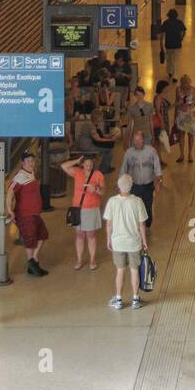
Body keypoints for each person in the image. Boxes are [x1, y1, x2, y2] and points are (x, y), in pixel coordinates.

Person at [104, 174, 150, 310]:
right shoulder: (137, 202)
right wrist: (144, 241)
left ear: (118, 186)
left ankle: (118, 299)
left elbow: (108, 224)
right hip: (134, 242)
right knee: (134, 269)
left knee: (120, 270)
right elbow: (142, 224)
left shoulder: (112, 201)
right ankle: (136, 299)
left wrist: (108, 239)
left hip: (118, 242)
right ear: (131, 186)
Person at [7, 149, 49, 277]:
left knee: (43, 235)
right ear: (23, 162)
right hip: (25, 215)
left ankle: (33, 260)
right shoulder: (20, 177)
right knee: (30, 239)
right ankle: (32, 264)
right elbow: (9, 193)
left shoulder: (31, 173)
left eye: (32, 160)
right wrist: (9, 210)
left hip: (35, 214)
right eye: (28, 161)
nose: (31, 163)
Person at [62, 153, 105, 271]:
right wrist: (76, 160)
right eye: (86, 164)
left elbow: (102, 192)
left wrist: (95, 189)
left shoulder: (98, 175)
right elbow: (63, 166)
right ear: (82, 164)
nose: (88, 166)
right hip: (78, 208)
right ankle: (79, 260)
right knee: (79, 235)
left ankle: (92, 260)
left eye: (90, 164)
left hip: (91, 208)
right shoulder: (77, 172)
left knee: (91, 235)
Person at [119, 131, 163, 229]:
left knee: (147, 206)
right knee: (135, 206)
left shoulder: (151, 151)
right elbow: (123, 169)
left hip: (148, 185)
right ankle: (137, 226)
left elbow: (157, 168)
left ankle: (147, 224)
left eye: (140, 140)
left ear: (144, 140)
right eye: (135, 140)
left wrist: (158, 182)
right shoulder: (129, 153)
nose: (138, 142)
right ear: (132, 141)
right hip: (134, 185)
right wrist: (120, 185)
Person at [174, 75, 195, 163]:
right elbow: (176, 102)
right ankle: (181, 154)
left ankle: (190, 154)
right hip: (181, 114)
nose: (185, 85)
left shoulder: (193, 90)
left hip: (189, 114)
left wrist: (189, 106)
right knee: (181, 134)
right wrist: (180, 105)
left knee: (190, 135)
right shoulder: (178, 89)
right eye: (183, 83)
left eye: (187, 83)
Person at [160, 8, 186, 79]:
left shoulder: (166, 23)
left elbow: (162, 34)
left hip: (168, 44)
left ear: (168, 15)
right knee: (176, 60)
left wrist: (161, 45)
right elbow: (184, 31)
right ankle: (175, 75)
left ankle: (170, 71)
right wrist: (181, 39)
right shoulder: (179, 22)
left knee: (169, 59)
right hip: (177, 44)